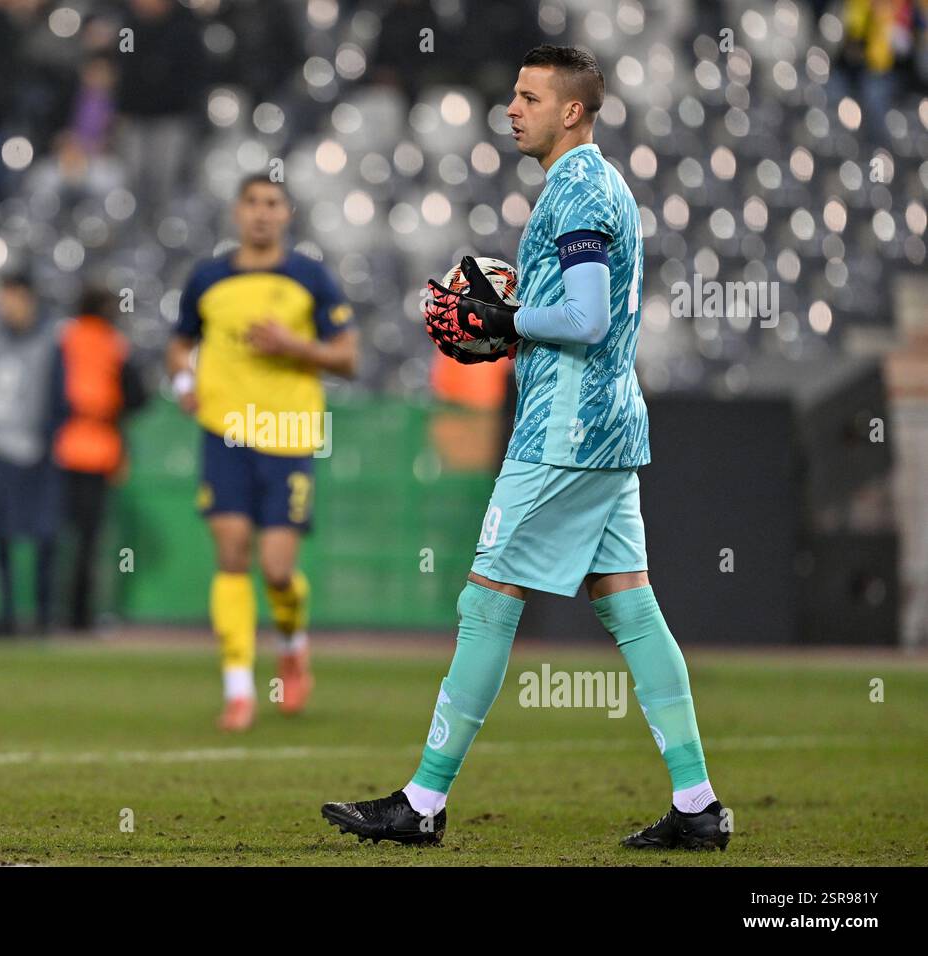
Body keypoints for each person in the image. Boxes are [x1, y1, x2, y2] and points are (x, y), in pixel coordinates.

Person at [321, 45, 730, 852]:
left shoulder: (577, 188)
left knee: (484, 602)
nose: (512, 108)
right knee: (630, 606)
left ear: (571, 110)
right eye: (514, 94)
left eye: (530, 96)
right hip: (609, 420)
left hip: (566, 428)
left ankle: (424, 801)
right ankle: (697, 803)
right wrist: (519, 321)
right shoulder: (599, 182)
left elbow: (585, 318)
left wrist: (508, 321)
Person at [166, 173, 358, 731]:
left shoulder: (309, 277)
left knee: (276, 569)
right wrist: (183, 384)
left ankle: (294, 647)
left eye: (272, 203)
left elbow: (348, 358)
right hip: (224, 433)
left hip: (289, 434)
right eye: (251, 202)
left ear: (287, 213)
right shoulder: (206, 278)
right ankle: (238, 687)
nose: (261, 213)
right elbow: (179, 347)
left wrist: (295, 345)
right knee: (230, 554)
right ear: (237, 211)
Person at [0, 271, 65, 637]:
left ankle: (43, 616)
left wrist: (48, 438)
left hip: (34, 449)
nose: (3, 307)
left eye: (9, 297)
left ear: (27, 297)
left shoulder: (51, 339)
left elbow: (57, 395)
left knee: (44, 535)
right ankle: (7, 615)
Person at [53, 285, 146, 632]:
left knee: (56, 536)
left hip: (60, 448)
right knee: (90, 541)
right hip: (100, 449)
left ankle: (51, 613)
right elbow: (138, 396)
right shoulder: (114, 344)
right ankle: (82, 617)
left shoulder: (64, 339)